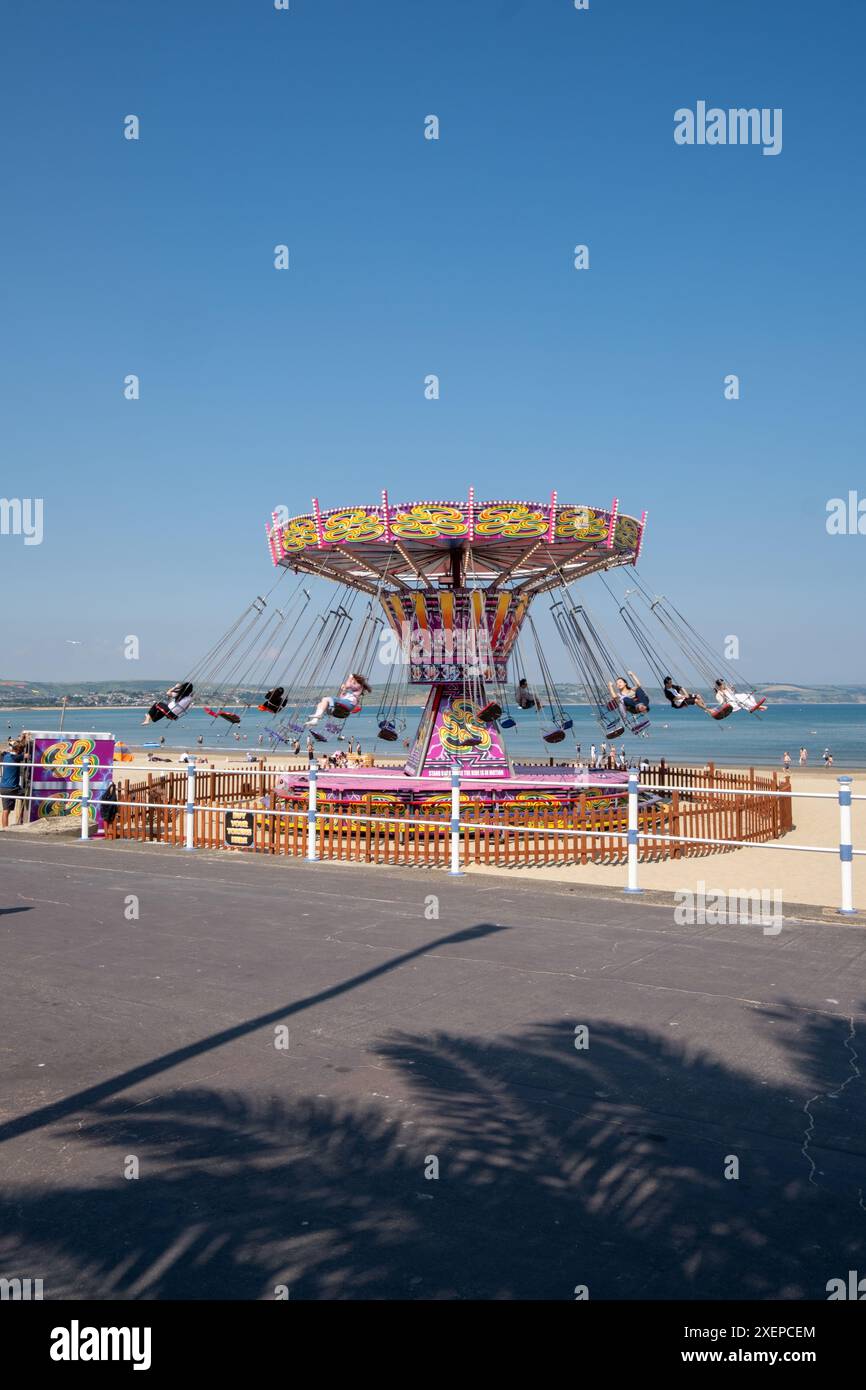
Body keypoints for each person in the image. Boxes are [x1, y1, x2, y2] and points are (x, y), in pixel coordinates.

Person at [305, 673, 371, 728]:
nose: (352, 683)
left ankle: (329, 708)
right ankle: (315, 720)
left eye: (354, 682)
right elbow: (341, 698)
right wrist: (343, 691)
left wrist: (350, 678)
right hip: (345, 704)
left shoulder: (359, 689)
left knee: (326, 699)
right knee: (321, 703)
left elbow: (348, 685)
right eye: (352, 682)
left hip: (349, 704)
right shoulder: (349, 693)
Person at [1, 738, 25, 828]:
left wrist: (20, 741)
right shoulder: (16, 757)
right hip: (13, 788)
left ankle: (4, 829)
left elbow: (6, 751)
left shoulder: (5, 755)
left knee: (6, 810)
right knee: (28, 795)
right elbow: (27, 755)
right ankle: (23, 820)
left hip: (3, 787)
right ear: (18, 751)